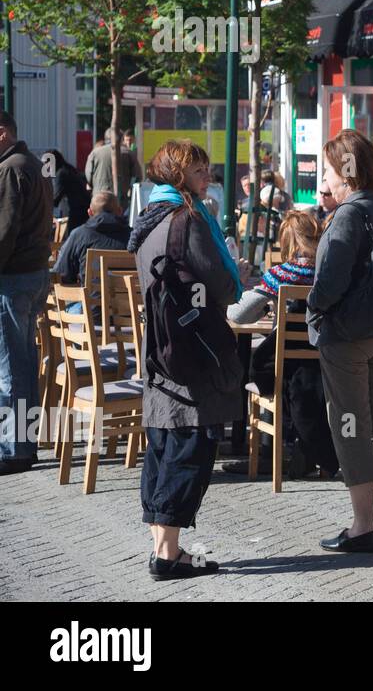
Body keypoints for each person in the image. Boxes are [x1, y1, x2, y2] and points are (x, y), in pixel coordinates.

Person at [129, 140, 243, 578]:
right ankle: (168, 553)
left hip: (161, 349)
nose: (207, 178)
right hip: (194, 348)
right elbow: (224, 286)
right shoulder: (188, 220)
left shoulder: (147, 220)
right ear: (179, 176)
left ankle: (164, 547)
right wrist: (234, 272)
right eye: (199, 171)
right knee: (191, 444)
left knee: (163, 442)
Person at [308, 129, 373, 553]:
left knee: (350, 425)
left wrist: (314, 307)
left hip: (348, 336)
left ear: (345, 173)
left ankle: (362, 525)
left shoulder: (346, 216)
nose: (325, 179)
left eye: (329, 171)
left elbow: (330, 280)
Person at [223, 211, 337, 480]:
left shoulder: (281, 274)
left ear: (287, 243)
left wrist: (263, 306)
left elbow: (237, 315)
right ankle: (307, 449)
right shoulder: (331, 272)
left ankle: (267, 453)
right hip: (327, 363)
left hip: (286, 369)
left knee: (265, 365)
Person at [0, 110, 53, 475]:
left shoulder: (10, 168)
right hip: (33, 273)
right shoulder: (32, 163)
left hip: (14, 276)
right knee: (22, 362)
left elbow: (5, 229)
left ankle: (13, 449)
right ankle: (25, 443)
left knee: (11, 367)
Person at [53, 191, 131, 286]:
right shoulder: (134, 236)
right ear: (120, 211)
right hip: (131, 299)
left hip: (92, 299)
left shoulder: (79, 234)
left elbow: (61, 273)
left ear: (90, 212)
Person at [85, 129, 142, 208]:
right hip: (120, 198)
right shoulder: (128, 153)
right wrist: (128, 189)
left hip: (98, 197)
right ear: (122, 138)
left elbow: (88, 176)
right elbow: (137, 176)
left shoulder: (95, 153)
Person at [49, 149, 92, 231]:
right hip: (85, 207)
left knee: (73, 235)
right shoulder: (69, 169)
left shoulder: (61, 174)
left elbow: (55, 199)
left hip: (77, 210)